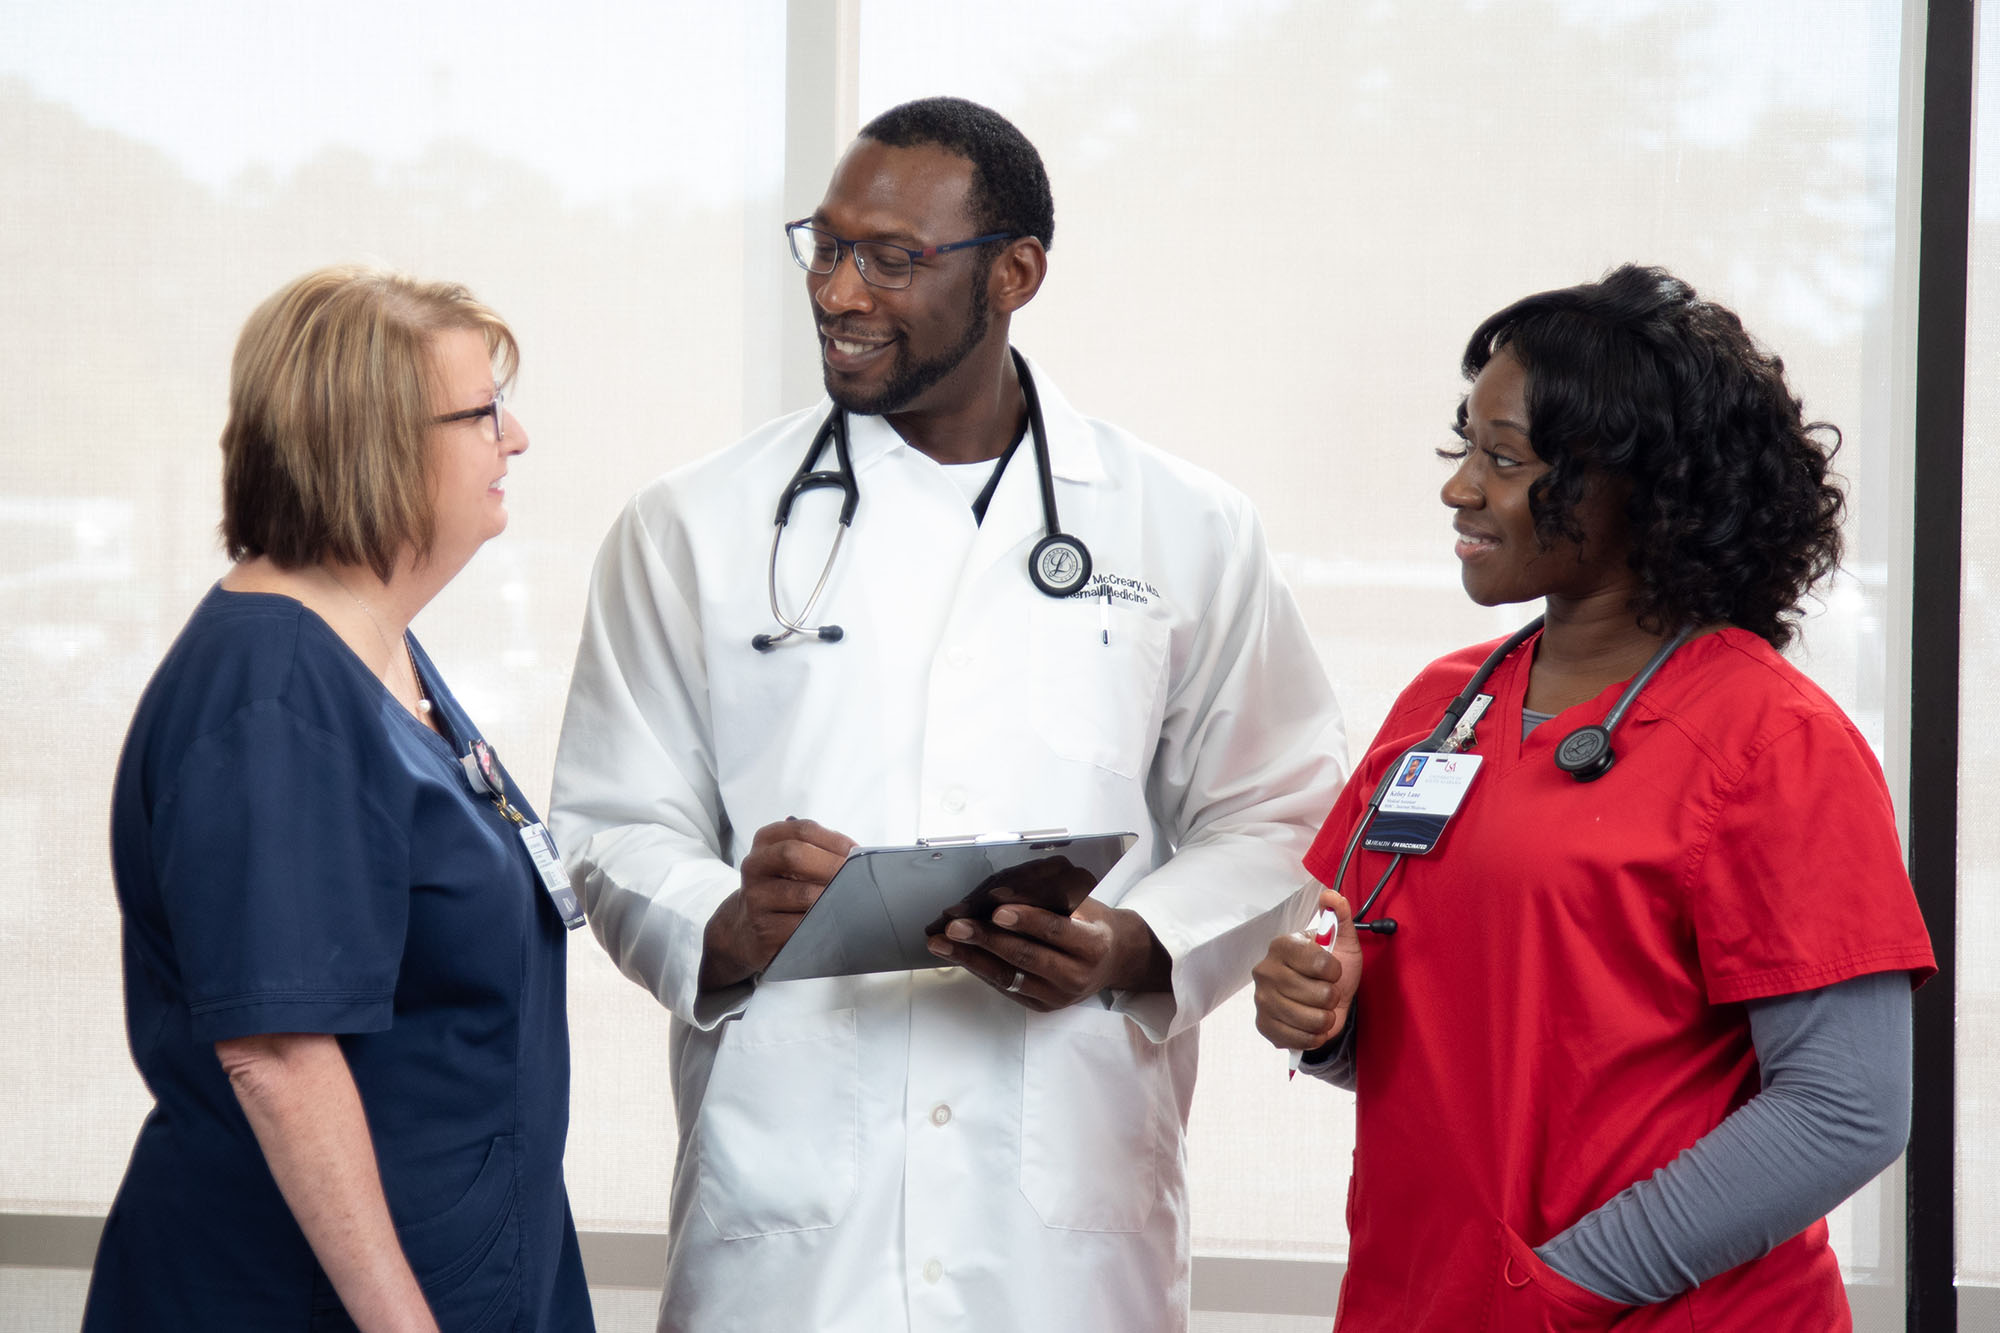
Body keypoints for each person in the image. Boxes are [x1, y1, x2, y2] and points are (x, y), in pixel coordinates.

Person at [551, 96, 1346, 1333]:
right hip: (792, 1222)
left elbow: (1282, 805)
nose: (838, 293)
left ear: (1015, 273)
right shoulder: (692, 525)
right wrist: (726, 918)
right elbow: (608, 813)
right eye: (824, 247)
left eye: (891, 258)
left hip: (1060, 1225)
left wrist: (1133, 947)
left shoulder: (1180, 524)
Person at [1252, 264, 1936, 1330]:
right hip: (1426, 1300)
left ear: (1643, 487)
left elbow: (1844, 1108)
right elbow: (1454, 1037)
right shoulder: (1444, 706)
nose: (1458, 488)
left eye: (1504, 458)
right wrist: (1320, 1019)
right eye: (1463, 448)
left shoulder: (1774, 742)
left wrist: (1563, 1286)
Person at [85, 265, 594, 1332]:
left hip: (462, 1261)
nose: (517, 438)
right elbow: (275, 1050)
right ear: (374, 442)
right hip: (317, 1298)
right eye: (484, 411)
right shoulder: (271, 692)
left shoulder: (377, 651)